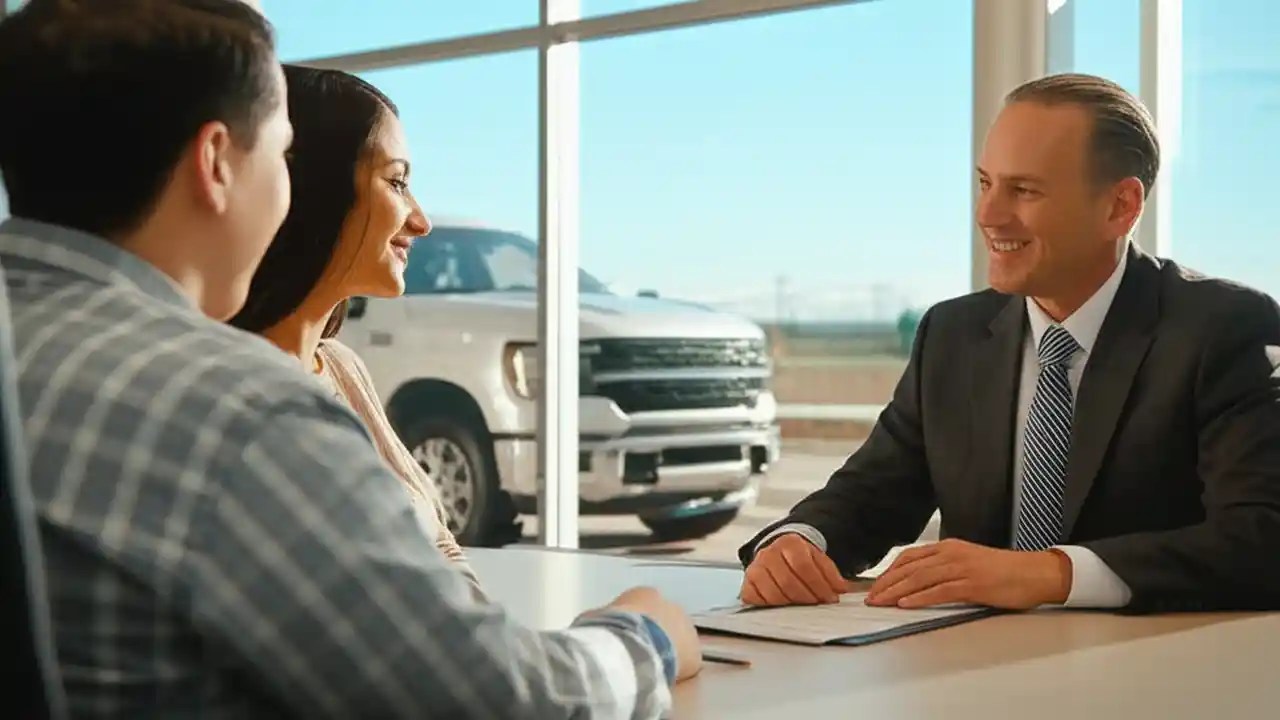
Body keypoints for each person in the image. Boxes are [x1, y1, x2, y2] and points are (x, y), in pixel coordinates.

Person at [0, 1, 697, 718]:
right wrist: (646, 633)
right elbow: (503, 703)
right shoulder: (238, 413)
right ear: (216, 162)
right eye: (280, 153)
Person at [740, 73, 1280, 614]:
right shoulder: (951, 334)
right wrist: (801, 542)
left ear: (1120, 206)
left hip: (1149, 678)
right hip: (965, 672)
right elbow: (873, 492)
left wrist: (1051, 574)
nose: (988, 215)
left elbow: (1262, 537)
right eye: (985, 184)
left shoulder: (1228, 328)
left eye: (1023, 190)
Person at [224, 65, 486, 596]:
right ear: (319, 189)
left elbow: (440, 544)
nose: (421, 220)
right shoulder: (246, 396)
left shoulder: (340, 367)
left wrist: (476, 625)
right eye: (397, 182)